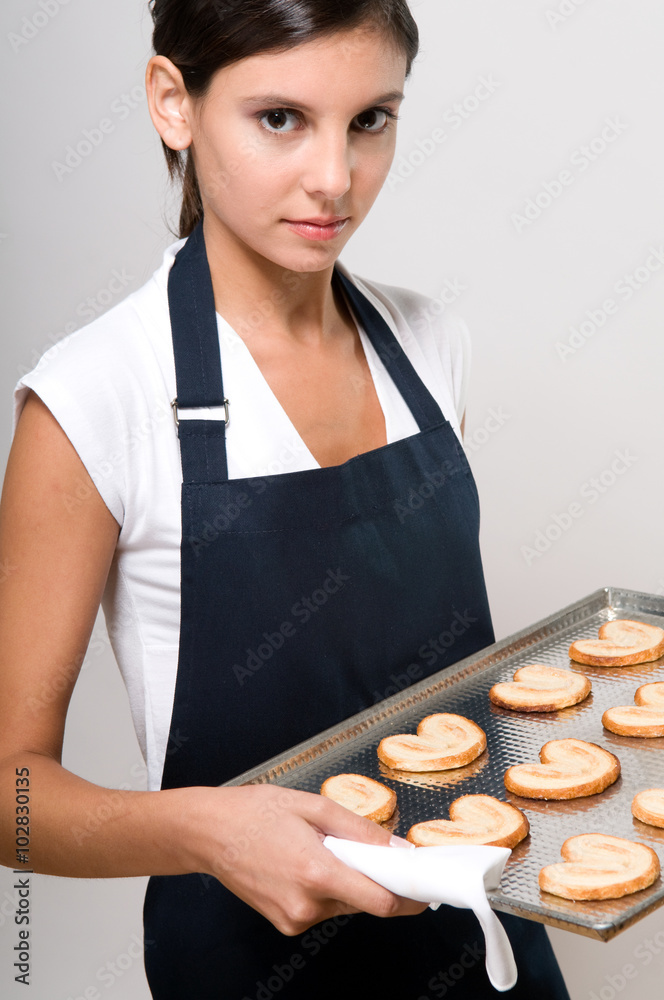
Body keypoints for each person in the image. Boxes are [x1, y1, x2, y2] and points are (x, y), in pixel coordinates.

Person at [0, 1, 570, 997]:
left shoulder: (431, 346)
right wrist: (205, 826)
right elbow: (8, 797)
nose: (333, 179)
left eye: (370, 120)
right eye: (279, 118)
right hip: (244, 968)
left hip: (484, 944)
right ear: (173, 103)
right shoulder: (97, 395)